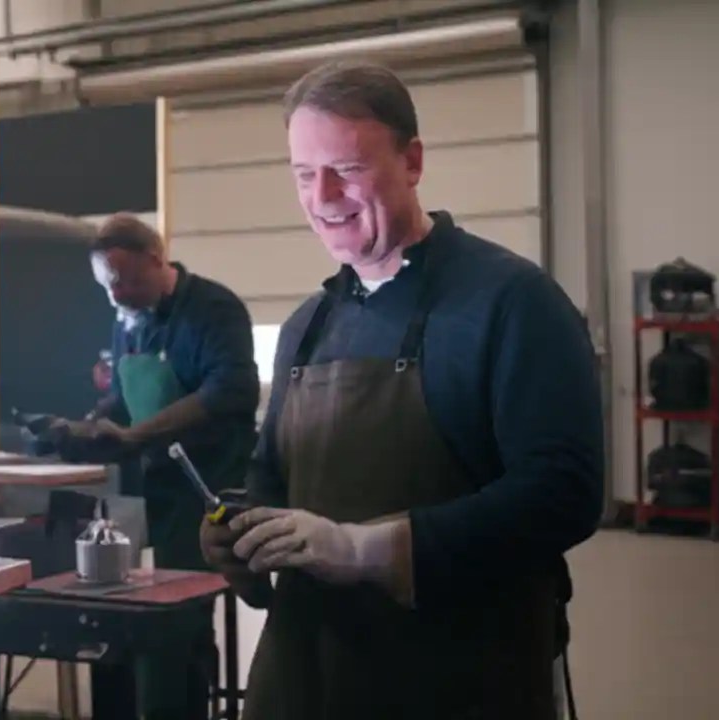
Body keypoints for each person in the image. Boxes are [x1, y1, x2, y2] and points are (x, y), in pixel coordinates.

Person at [198, 59, 604, 719]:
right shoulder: (307, 325)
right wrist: (238, 533)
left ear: (412, 161)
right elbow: (272, 478)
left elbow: (565, 494)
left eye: (348, 170)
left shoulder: (511, 302)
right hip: (310, 676)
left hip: (459, 675)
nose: (323, 196)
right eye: (304, 174)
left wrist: (366, 550)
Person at [50, 213, 260, 720]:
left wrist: (137, 435)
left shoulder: (214, 309)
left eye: (127, 281)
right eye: (107, 285)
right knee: (157, 617)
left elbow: (230, 390)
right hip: (160, 493)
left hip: (211, 492)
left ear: (156, 258)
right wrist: (88, 427)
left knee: (184, 617)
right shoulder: (129, 320)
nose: (117, 295)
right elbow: (124, 397)